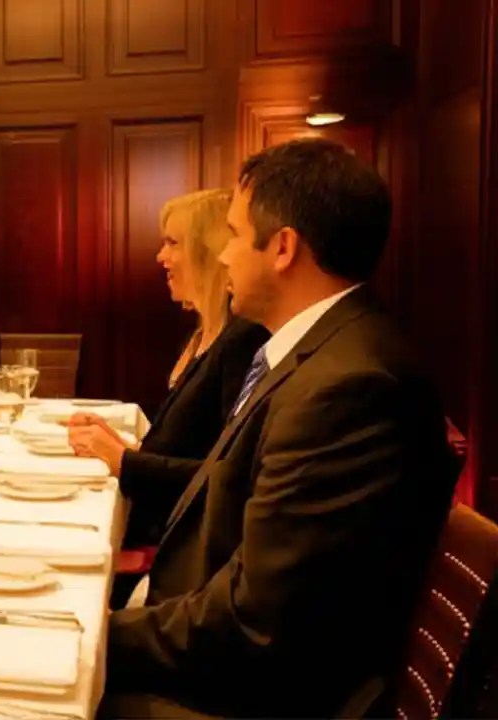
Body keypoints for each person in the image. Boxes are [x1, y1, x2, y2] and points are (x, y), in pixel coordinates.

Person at [102, 138, 459, 718]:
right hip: (195, 619)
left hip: (253, 695)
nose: (222, 257)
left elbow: (252, 622)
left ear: (283, 248)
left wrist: (91, 638)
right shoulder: (314, 352)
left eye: (236, 236)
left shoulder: (348, 387)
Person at [65, 189, 268, 605]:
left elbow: (225, 478)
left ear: (206, 251)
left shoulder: (242, 340)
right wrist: (122, 447)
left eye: (173, 242)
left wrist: (125, 460)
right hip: (158, 536)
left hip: (175, 563)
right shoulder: (205, 334)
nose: (161, 256)